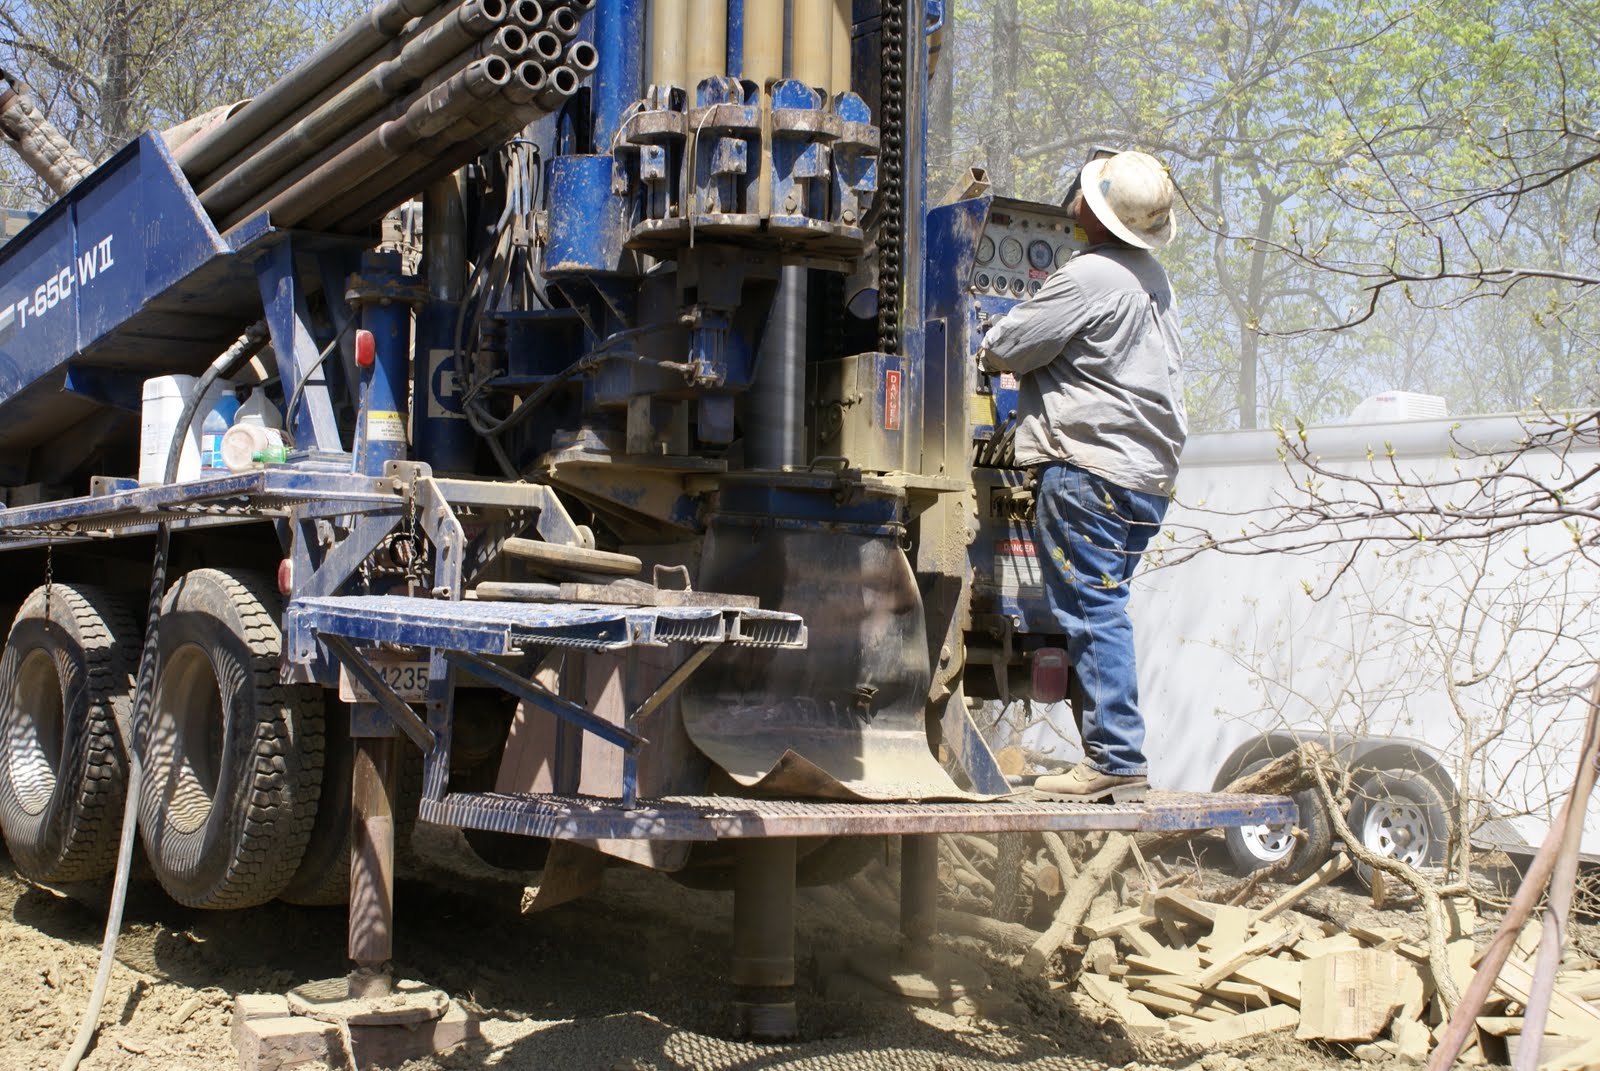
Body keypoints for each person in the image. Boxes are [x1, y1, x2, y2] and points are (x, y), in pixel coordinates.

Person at [977, 150, 1186, 803]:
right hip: (1144, 478)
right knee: (1106, 604)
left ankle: (1116, 759)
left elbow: (1008, 346)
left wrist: (984, 337)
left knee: (1092, 609)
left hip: (1090, 471)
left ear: (1096, 211)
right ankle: (1112, 755)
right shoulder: (1152, 276)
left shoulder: (1091, 274)